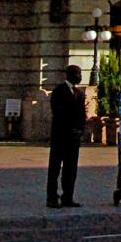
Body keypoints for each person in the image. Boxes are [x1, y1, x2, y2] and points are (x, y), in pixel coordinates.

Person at [46, 64, 86, 208]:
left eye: (80, 74)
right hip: (60, 136)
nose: (80, 77)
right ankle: (52, 198)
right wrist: (71, 129)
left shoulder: (80, 94)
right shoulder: (58, 91)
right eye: (78, 74)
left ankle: (67, 197)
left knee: (71, 169)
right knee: (55, 169)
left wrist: (80, 130)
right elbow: (58, 113)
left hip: (74, 139)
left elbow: (82, 115)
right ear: (69, 75)